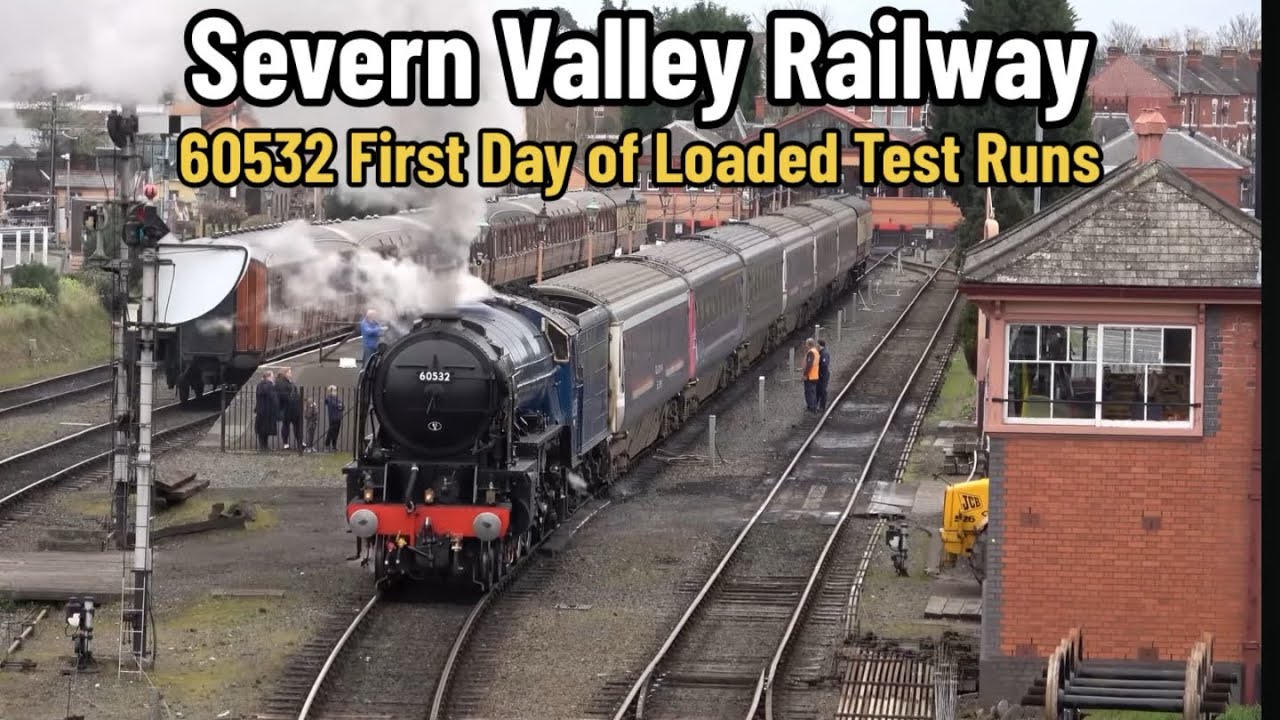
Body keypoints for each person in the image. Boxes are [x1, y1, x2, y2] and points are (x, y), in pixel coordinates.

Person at [276, 367, 301, 450]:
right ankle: (285, 443)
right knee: (286, 425)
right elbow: (283, 395)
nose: (291, 374)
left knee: (297, 426)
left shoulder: (290, 382)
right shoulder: (280, 383)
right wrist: (293, 399)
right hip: (286, 408)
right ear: (285, 373)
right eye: (289, 372)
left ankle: (299, 442)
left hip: (294, 407)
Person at [253, 371, 278, 451]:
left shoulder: (259, 385)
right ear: (269, 377)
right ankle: (265, 446)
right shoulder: (270, 385)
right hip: (268, 410)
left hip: (260, 410)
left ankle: (262, 446)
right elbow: (273, 398)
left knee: (261, 429)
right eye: (272, 376)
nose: (273, 378)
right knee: (266, 429)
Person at [801, 338, 820, 412]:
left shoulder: (811, 352)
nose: (806, 346)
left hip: (810, 376)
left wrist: (805, 375)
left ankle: (812, 407)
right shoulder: (816, 352)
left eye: (806, 344)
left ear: (808, 345)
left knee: (809, 392)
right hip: (815, 375)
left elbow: (809, 365)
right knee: (813, 392)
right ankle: (813, 406)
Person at [324, 385, 345, 452]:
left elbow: (343, 406)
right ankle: (327, 446)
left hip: (338, 418)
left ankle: (334, 447)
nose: (336, 392)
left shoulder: (337, 399)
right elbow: (334, 405)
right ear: (330, 391)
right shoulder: (329, 398)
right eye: (334, 390)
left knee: (336, 433)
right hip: (333, 418)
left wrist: (339, 406)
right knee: (331, 432)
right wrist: (339, 406)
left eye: (336, 390)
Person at [817, 339, 832, 410]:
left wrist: (821, 374)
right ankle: (817, 404)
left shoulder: (824, 354)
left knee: (823, 390)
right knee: (819, 389)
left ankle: (822, 406)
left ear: (820, 345)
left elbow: (824, 365)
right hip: (821, 374)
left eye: (817, 344)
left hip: (823, 375)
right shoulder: (821, 352)